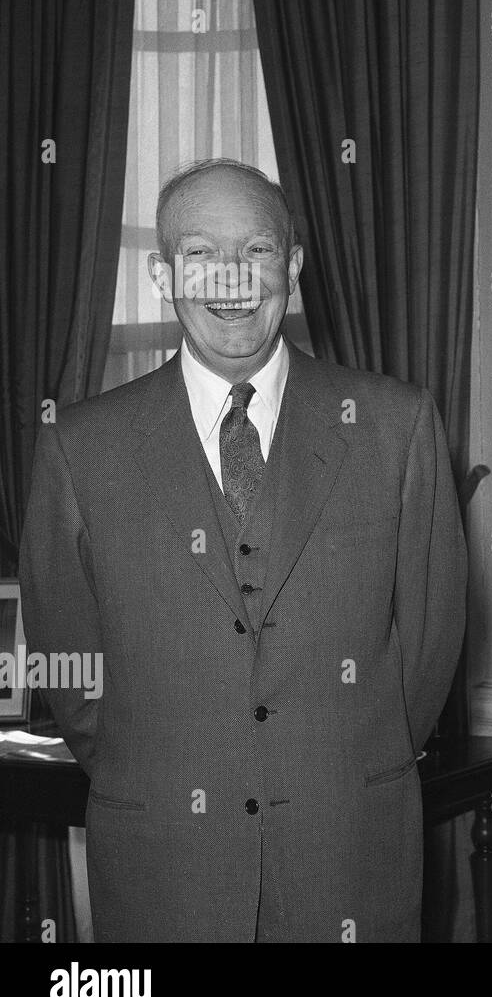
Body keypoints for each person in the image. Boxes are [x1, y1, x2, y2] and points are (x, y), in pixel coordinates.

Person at [19, 158, 466, 942]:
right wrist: (151, 763)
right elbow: (70, 669)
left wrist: (344, 759)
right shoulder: (81, 446)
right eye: (200, 254)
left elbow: (425, 654)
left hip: (350, 857)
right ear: (163, 274)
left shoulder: (395, 426)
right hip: (163, 864)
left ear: (292, 265)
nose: (231, 277)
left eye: (256, 250)